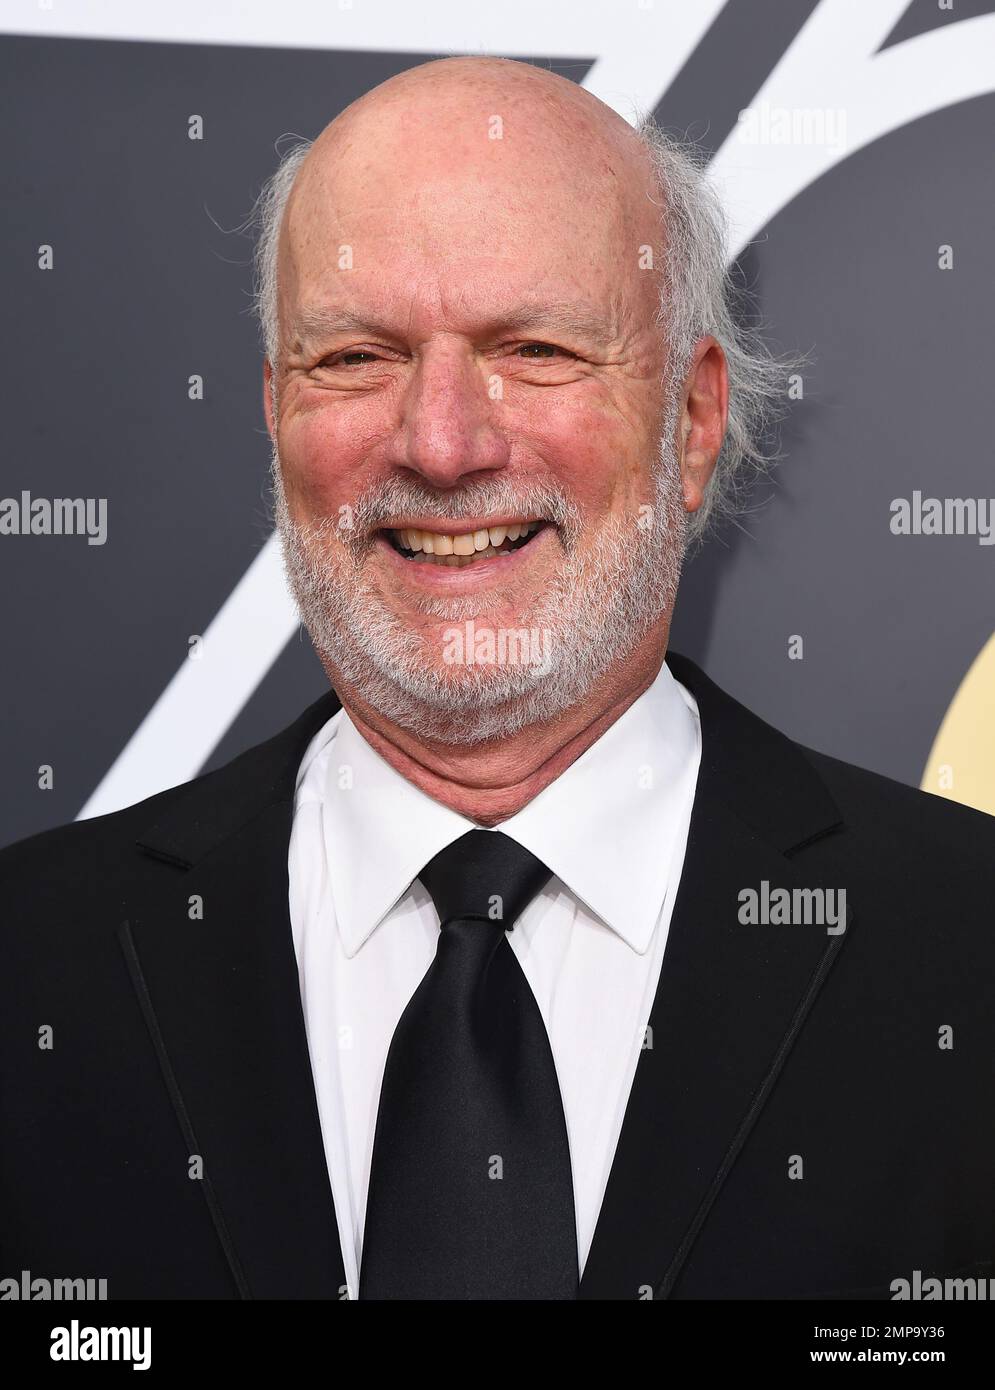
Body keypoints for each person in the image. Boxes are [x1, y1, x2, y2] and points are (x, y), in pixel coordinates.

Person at [1, 57, 992, 1302]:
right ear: (273, 412)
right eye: (357, 357)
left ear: (689, 422)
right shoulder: (32, 967)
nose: (441, 441)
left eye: (532, 347)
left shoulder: (965, 956)